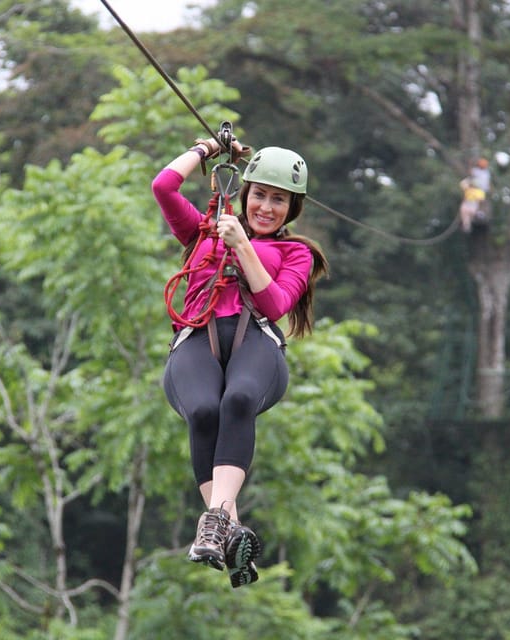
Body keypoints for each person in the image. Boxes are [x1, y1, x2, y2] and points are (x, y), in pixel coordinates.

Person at [152, 136, 328, 588]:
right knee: (206, 409)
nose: (266, 207)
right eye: (261, 195)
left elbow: (275, 305)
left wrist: (243, 246)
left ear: (292, 210)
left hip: (257, 342)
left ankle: (212, 519)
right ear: (245, 193)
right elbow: (164, 187)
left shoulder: (296, 254)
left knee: (240, 398)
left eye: (279, 200)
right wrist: (206, 151)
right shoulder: (202, 233)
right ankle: (226, 530)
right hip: (196, 336)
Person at [459, 157, 491, 233]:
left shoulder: (478, 173)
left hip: (474, 199)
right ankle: (468, 224)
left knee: (467, 211)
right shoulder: (486, 174)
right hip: (473, 199)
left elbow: (470, 177)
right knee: (466, 212)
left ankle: (473, 220)